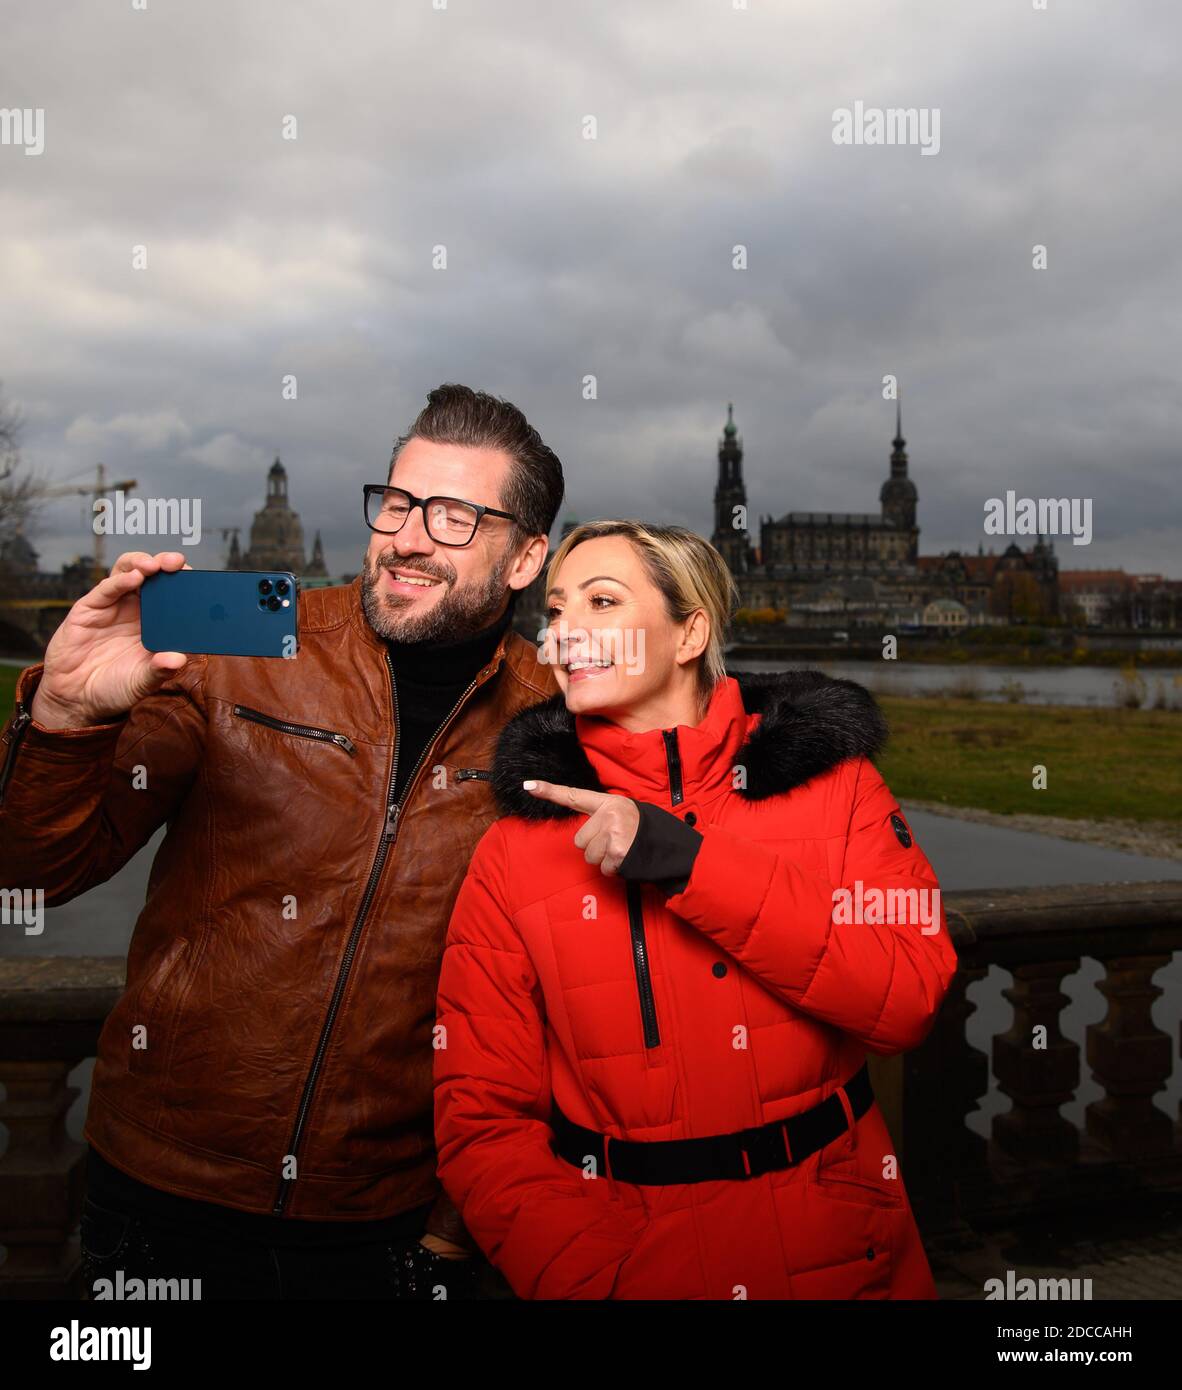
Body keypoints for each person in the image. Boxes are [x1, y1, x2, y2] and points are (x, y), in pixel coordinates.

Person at [0, 384, 563, 1299]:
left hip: (386, 1221)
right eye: (398, 504)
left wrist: (457, 1229)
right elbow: (34, 871)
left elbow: (561, 1007)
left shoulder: (554, 724)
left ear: (525, 557)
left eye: (456, 516)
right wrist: (62, 720)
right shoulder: (247, 644)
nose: (410, 537)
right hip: (160, 1189)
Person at [433, 519, 959, 1299]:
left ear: (690, 633)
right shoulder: (515, 851)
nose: (564, 630)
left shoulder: (839, 787)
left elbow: (909, 1000)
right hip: (636, 1267)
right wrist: (586, 1274)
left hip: (848, 1257)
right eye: (556, 607)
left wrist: (692, 865)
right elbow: (481, 1120)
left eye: (602, 601)